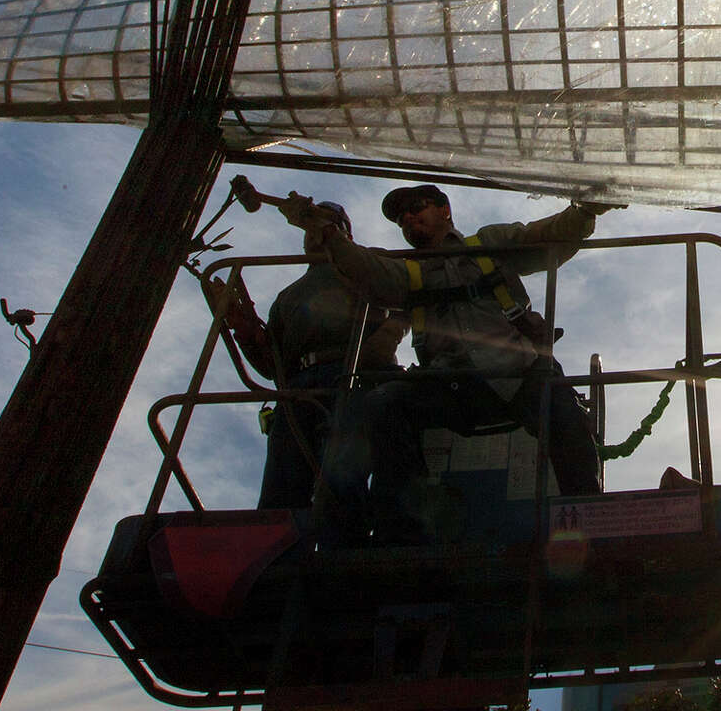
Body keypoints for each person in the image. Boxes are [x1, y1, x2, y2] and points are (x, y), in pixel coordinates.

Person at [285, 184, 612, 543]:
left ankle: (587, 525)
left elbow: (546, 236)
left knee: (564, 414)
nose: (408, 218)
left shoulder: (488, 245)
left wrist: (585, 211)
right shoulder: (408, 271)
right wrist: (324, 230)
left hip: (516, 370)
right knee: (380, 404)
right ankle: (405, 535)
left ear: (444, 211)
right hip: (448, 383)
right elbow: (366, 268)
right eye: (401, 217)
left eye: (417, 207)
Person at [215, 201, 408, 511]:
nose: (314, 233)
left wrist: (376, 352)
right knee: (283, 484)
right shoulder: (288, 296)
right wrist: (246, 331)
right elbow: (273, 366)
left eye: (323, 223)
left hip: (353, 376)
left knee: (343, 476)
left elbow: (402, 306)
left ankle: (343, 551)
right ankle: (280, 551)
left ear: (344, 232)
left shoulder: (366, 264)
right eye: (309, 227)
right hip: (298, 387)